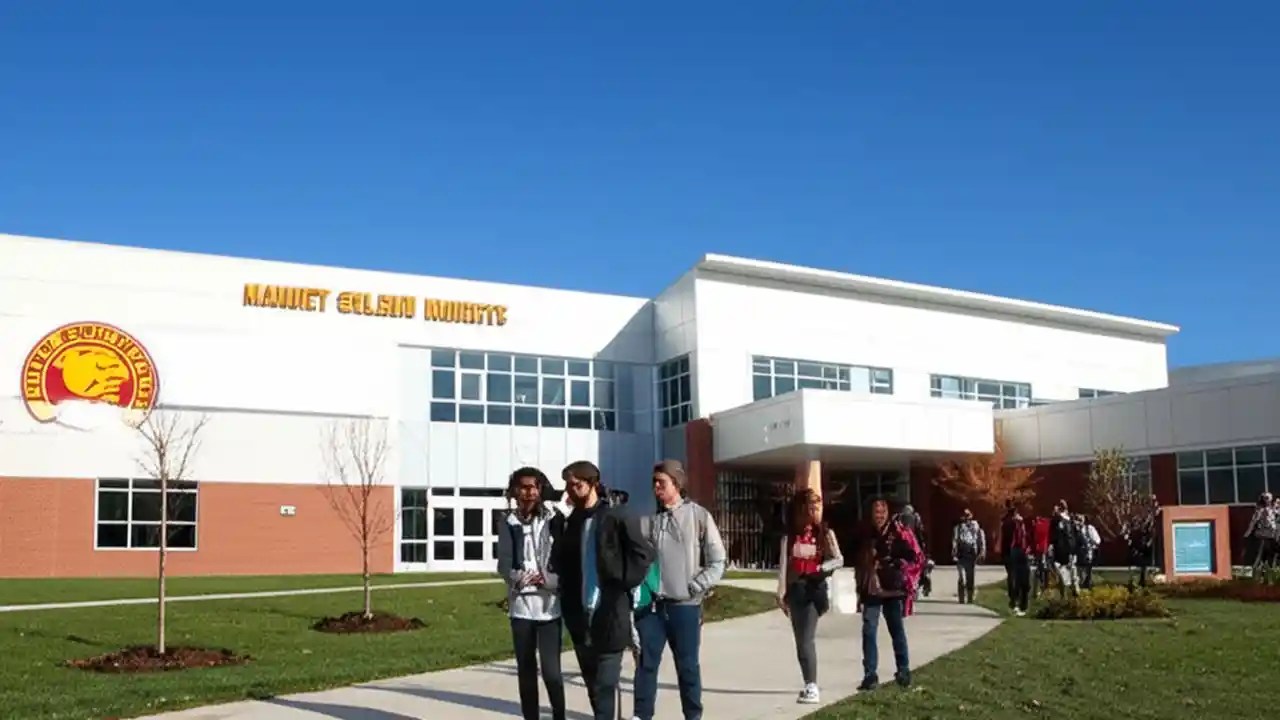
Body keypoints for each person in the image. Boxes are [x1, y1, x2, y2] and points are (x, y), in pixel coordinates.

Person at [633, 459, 727, 720]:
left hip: (685, 607)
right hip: (652, 607)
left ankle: (693, 715)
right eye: (653, 483)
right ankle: (641, 715)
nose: (656, 488)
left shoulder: (698, 516)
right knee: (645, 664)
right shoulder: (651, 520)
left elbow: (718, 561)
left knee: (687, 667)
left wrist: (696, 586)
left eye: (661, 482)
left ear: (676, 484)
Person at [496, 467, 567, 720]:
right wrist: (518, 578)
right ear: (514, 491)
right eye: (523, 487)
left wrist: (548, 580)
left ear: (540, 490)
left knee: (551, 671)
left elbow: (564, 560)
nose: (528, 493)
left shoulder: (553, 518)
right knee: (526, 670)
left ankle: (559, 715)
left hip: (549, 608)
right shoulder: (507, 521)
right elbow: (503, 563)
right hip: (521, 609)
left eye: (533, 487)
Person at [550, 460, 610, 716]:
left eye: (577, 485)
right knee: (587, 666)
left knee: (605, 669)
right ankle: (599, 712)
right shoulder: (569, 518)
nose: (571, 490)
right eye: (568, 486)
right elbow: (559, 559)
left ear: (592, 484)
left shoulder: (607, 515)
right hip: (574, 602)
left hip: (602, 602)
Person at [588, 497, 656, 720]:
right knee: (606, 676)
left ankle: (640, 714)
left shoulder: (618, 520)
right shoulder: (594, 522)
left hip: (623, 607)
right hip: (603, 606)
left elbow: (644, 558)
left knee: (617, 672)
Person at [775, 489, 844, 704]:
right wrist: (781, 592)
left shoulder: (825, 534)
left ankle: (811, 686)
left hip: (815, 589)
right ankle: (809, 682)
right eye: (811, 507)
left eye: (818, 507)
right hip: (797, 591)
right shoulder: (790, 538)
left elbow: (839, 559)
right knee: (801, 639)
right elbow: (784, 566)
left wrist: (821, 568)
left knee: (805, 639)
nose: (815, 512)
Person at [855, 497, 924, 691]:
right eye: (876, 512)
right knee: (869, 630)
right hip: (871, 590)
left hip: (892, 589)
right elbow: (859, 562)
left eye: (882, 512)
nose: (879, 516)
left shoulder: (898, 533)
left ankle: (903, 670)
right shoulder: (865, 534)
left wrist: (894, 562)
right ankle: (870, 675)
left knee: (897, 630)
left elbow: (912, 555)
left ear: (887, 513)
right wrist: (859, 590)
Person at [951, 508, 985, 604]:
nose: (966, 518)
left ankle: (970, 597)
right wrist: (954, 553)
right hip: (961, 553)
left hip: (971, 553)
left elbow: (981, 539)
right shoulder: (958, 528)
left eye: (968, 516)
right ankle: (961, 597)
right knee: (961, 576)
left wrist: (982, 551)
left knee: (970, 576)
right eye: (965, 516)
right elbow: (955, 540)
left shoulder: (976, 526)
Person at [1004, 506, 1032, 616]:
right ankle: (1016, 603)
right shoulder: (1009, 526)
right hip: (1015, 552)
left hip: (1022, 553)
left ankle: (1022, 605)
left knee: (1024, 581)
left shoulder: (1026, 528)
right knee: (1016, 580)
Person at [1048, 501, 1078, 597]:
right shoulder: (1066, 521)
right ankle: (1071, 591)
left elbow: (1054, 536)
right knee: (1069, 572)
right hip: (1067, 550)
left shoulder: (1060, 521)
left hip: (1062, 550)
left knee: (1065, 572)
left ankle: (1068, 592)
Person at [1244, 492, 1277, 574]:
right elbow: (1253, 522)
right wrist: (1247, 533)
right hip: (1262, 536)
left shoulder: (1272, 509)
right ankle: (1256, 573)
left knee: (1270, 556)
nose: (1270, 499)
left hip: (1271, 536)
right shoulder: (1260, 510)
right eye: (1268, 498)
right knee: (1260, 556)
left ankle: (1268, 573)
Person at [1074, 514, 1101, 590]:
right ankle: (1081, 585)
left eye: (1080, 520)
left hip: (1088, 552)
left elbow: (1097, 540)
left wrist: (1090, 544)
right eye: (1077, 519)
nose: (1078, 522)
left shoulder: (1089, 528)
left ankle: (1087, 584)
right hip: (1078, 553)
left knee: (1087, 569)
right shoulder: (1074, 530)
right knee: (1079, 570)